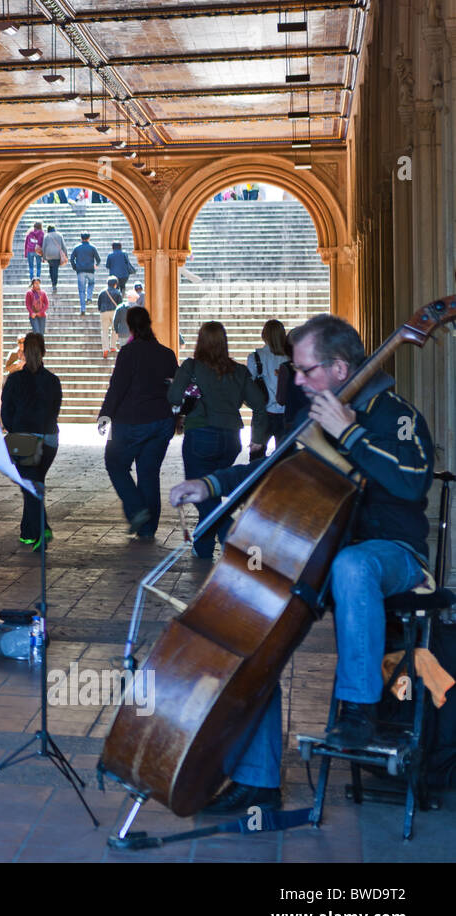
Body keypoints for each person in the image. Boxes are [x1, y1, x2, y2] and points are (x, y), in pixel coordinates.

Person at [169, 314, 434, 813]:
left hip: (393, 554)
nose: (295, 379)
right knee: (259, 640)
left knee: (354, 565)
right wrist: (211, 486)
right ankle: (259, 781)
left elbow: (413, 483)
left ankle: (359, 709)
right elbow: (273, 466)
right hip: (321, 559)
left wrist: (351, 435)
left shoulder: (393, 415)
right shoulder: (312, 415)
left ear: (339, 368)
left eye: (305, 370)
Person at [167, 321, 267, 561]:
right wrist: (258, 439)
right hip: (230, 438)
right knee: (211, 491)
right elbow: (260, 405)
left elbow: (173, 396)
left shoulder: (191, 367)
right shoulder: (239, 371)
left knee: (202, 495)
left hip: (200, 434)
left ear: (200, 341)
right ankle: (202, 548)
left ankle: (234, 539)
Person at [98, 306, 179, 542]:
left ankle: (136, 509)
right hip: (161, 421)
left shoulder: (128, 353)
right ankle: (148, 529)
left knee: (114, 463)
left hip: (131, 421)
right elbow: (174, 388)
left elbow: (117, 388)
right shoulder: (166, 353)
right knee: (149, 473)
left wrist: (105, 415)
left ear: (131, 326)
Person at [1, 333, 61, 550]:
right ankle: (27, 531)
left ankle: (42, 529)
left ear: (23, 352)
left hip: (24, 441)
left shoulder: (15, 380)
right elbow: (55, 411)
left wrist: (15, 429)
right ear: (43, 351)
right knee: (33, 482)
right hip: (48, 441)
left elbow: (5, 412)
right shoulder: (53, 381)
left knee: (30, 485)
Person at [246, 319, 291, 461]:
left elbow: (248, 386)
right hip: (286, 414)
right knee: (285, 459)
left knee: (256, 457)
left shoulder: (255, 357)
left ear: (263, 335)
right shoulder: (292, 358)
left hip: (263, 414)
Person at [70, 232, 100, 315]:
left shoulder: (77, 247)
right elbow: (98, 259)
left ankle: (83, 309)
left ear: (81, 238)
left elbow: (71, 259)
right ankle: (89, 297)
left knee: (81, 290)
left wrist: (75, 267)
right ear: (89, 238)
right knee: (91, 283)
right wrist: (96, 265)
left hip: (80, 271)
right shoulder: (92, 247)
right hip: (90, 270)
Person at [97, 277, 122, 359]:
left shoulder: (102, 292)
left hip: (104, 312)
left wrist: (101, 310)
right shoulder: (117, 292)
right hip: (114, 312)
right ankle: (113, 346)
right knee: (115, 329)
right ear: (115, 284)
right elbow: (120, 304)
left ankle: (105, 348)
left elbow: (99, 304)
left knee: (104, 331)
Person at [41, 225, 67, 293]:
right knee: (55, 269)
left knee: (51, 268)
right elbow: (63, 246)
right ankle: (54, 284)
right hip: (57, 254)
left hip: (49, 254)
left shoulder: (46, 236)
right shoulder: (59, 235)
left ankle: (53, 282)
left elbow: (43, 247)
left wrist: (43, 257)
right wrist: (65, 255)